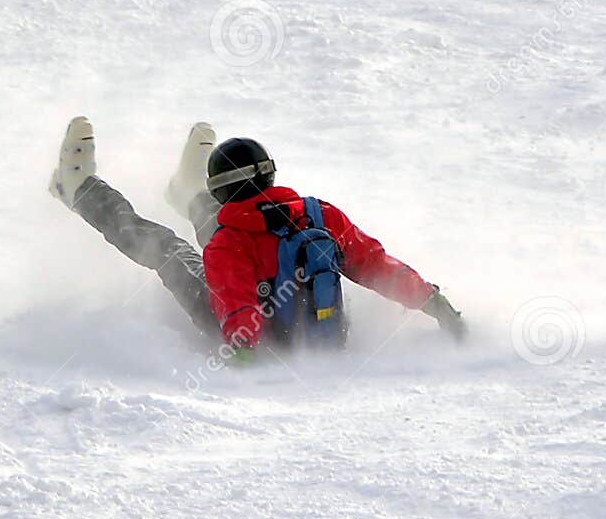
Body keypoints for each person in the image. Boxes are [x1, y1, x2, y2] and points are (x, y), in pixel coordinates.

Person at [47, 116, 466, 356]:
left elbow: (236, 303)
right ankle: (187, 193)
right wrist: (433, 300)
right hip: (324, 337)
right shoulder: (319, 214)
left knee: (169, 249)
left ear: (222, 190)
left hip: (253, 342)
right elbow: (376, 266)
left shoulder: (229, 240)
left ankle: (79, 190)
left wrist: (245, 356)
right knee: (232, 230)